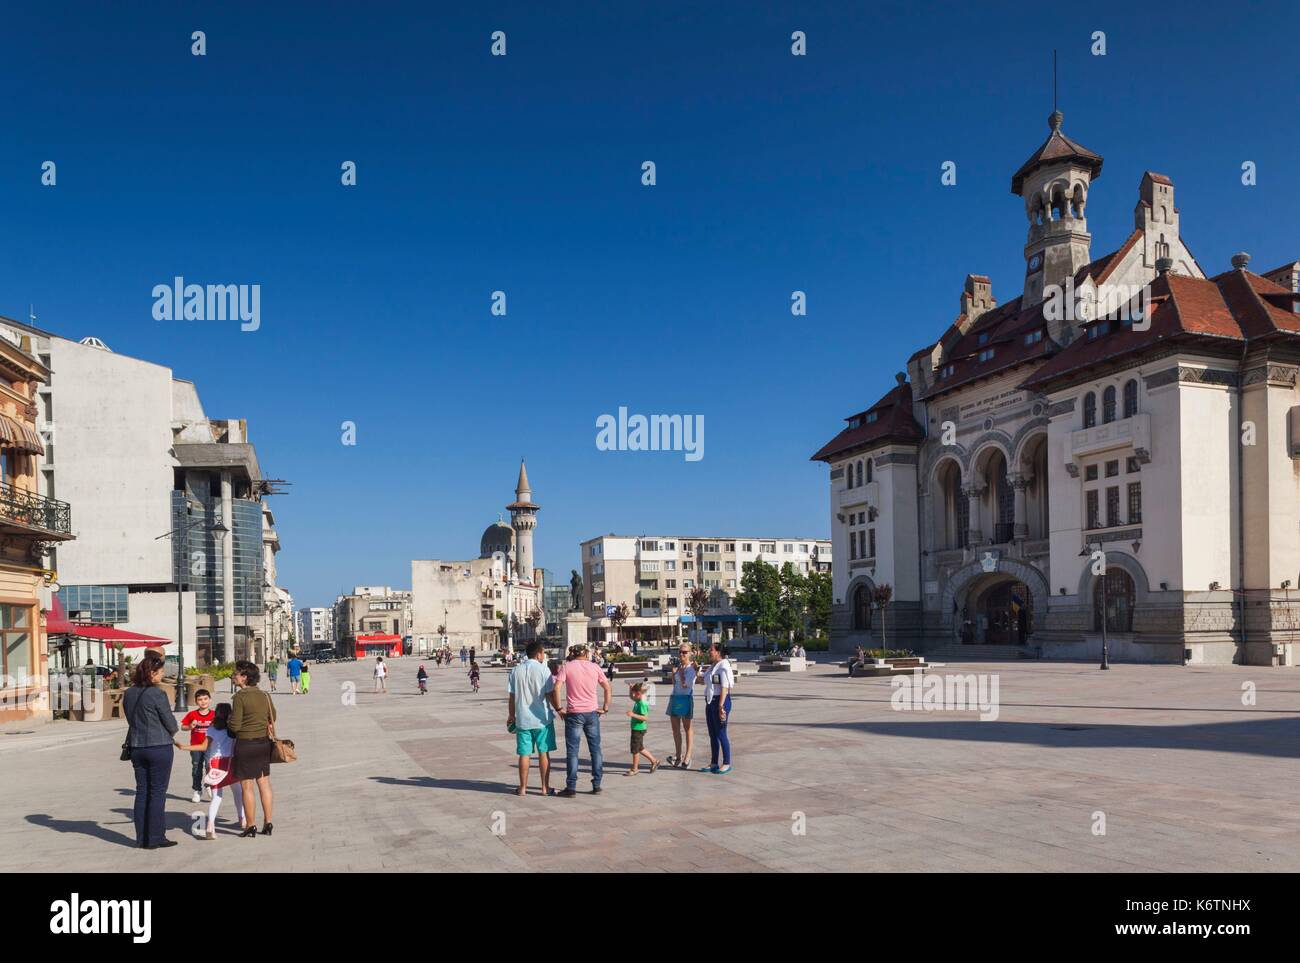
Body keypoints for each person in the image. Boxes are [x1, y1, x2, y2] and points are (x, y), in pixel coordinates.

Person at [123, 651, 180, 849]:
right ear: (152, 674)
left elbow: (130, 719)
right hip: (159, 747)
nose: (162, 675)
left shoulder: (129, 693)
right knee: (157, 792)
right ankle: (155, 837)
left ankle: (141, 838)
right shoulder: (158, 694)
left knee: (142, 791)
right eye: (160, 672)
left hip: (137, 747)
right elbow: (171, 725)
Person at [550, 642, 612, 797]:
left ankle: (571, 787)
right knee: (595, 750)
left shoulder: (567, 667)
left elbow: (556, 687)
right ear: (586, 653)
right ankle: (597, 785)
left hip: (574, 713)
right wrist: (605, 707)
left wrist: (558, 708)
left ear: (573, 653)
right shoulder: (595, 667)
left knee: (572, 751)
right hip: (592, 712)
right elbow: (607, 687)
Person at [175, 702, 244, 838]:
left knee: (217, 796)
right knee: (238, 792)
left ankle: (210, 825)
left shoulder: (212, 729)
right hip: (231, 762)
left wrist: (184, 747)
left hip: (214, 763)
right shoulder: (234, 729)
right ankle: (242, 819)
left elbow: (202, 747)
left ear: (217, 714)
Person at [229, 661, 276, 838]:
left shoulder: (240, 697)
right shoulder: (264, 695)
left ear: (244, 677)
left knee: (247, 786)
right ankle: (268, 822)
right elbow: (274, 716)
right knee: (264, 784)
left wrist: (227, 721)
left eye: (236, 674)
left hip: (245, 744)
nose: (233, 677)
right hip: (263, 744)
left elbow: (235, 726)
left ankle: (250, 825)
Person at [507, 640, 557, 796]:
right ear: (538, 654)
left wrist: (511, 715)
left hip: (523, 719)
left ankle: (522, 788)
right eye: (543, 652)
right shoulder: (544, 670)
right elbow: (550, 694)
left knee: (524, 754)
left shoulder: (515, 671)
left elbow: (512, 696)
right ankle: (544, 788)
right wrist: (559, 709)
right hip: (543, 719)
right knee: (544, 753)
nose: (544, 655)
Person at [699, 641, 734, 775]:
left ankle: (726, 763)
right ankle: (714, 762)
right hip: (710, 701)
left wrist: (720, 706)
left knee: (721, 733)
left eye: (711, 650)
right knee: (712, 734)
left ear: (718, 652)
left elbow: (725, 687)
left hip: (721, 702)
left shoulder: (723, 666)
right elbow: (706, 681)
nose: (709, 652)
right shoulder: (713, 666)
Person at [665, 643, 697, 769]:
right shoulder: (680, 667)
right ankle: (678, 756)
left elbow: (687, 685)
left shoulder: (691, 668)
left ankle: (688, 756)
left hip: (685, 698)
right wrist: (674, 674)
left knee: (687, 728)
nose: (682, 654)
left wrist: (682, 673)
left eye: (685, 652)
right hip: (675, 697)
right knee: (675, 728)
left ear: (690, 653)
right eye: (680, 652)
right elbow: (675, 684)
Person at [180, 688, 215, 804]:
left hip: (210, 746)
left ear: (210, 700)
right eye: (200, 699)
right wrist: (190, 726)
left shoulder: (214, 715)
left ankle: (209, 785)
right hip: (196, 746)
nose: (203, 701)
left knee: (210, 767)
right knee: (196, 768)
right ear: (196, 701)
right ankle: (197, 790)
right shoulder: (192, 714)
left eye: (205, 699)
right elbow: (183, 727)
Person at [624, 682, 658, 775]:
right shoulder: (639, 699)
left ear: (639, 693)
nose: (633, 695)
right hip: (637, 728)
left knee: (635, 750)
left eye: (635, 693)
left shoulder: (642, 703)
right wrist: (630, 689)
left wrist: (633, 714)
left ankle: (635, 769)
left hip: (638, 729)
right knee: (640, 748)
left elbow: (645, 718)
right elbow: (631, 697)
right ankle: (654, 761)